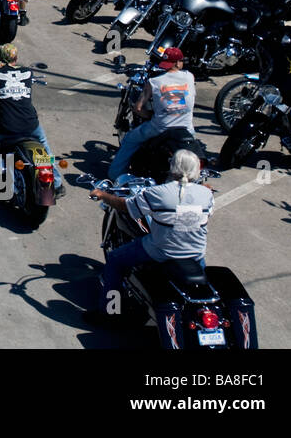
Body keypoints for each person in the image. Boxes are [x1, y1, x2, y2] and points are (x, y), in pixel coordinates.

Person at [87, 149, 213, 325]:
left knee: (115, 260)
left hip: (161, 251)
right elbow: (189, 218)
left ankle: (109, 312)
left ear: (173, 167)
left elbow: (126, 206)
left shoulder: (158, 193)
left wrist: (103, 196)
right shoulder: (206, 194)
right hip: (196, 254)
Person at [0, 44, 64, 190]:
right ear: (16, 58)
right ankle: (57, 183)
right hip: (31, 125)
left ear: (0, 58)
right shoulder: (27, 72)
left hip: (5, 126)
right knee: (46, 151)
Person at [108, 47, 195, 179]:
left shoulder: (154, 82)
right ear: (178, 63)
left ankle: (115, 175)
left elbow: (137, 108)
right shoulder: (189, 77)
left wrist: (150, 115)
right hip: (187, 127)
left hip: (160, 127)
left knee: (130, 139)